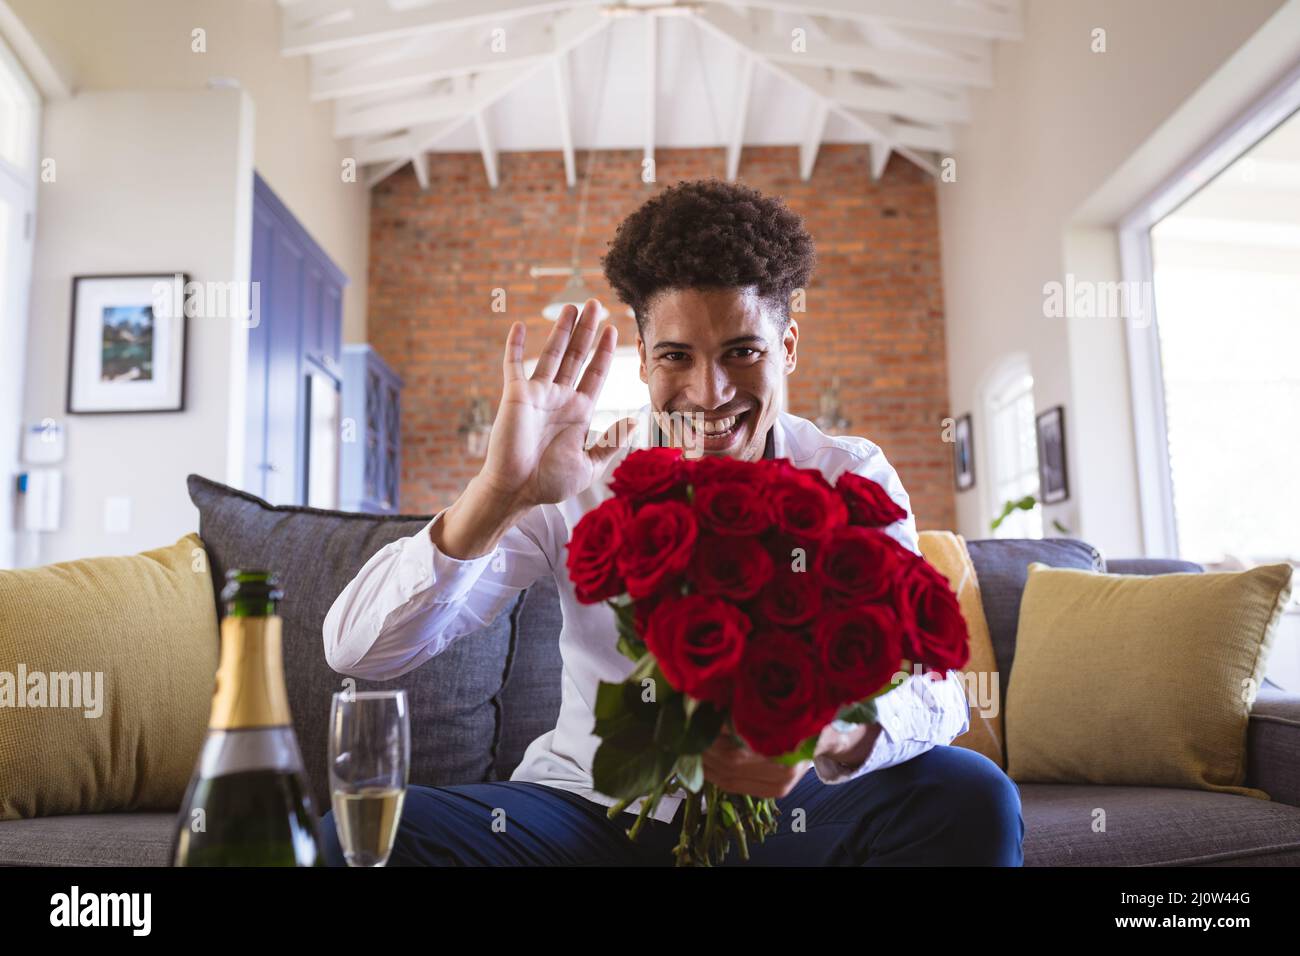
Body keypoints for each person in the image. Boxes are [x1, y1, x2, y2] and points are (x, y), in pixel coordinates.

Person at [320, 178, 1023, 866]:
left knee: (969, 797)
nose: (709, 394)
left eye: (743, 352)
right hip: (590, 813)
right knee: (361, 831)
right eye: (676, 356)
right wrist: (499, 492)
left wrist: (829, 736)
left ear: (789, 349)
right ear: (645, 357)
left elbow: (938, 685)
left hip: (789, 817)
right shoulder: (572, 475)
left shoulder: (851, 475)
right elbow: (356, 650)